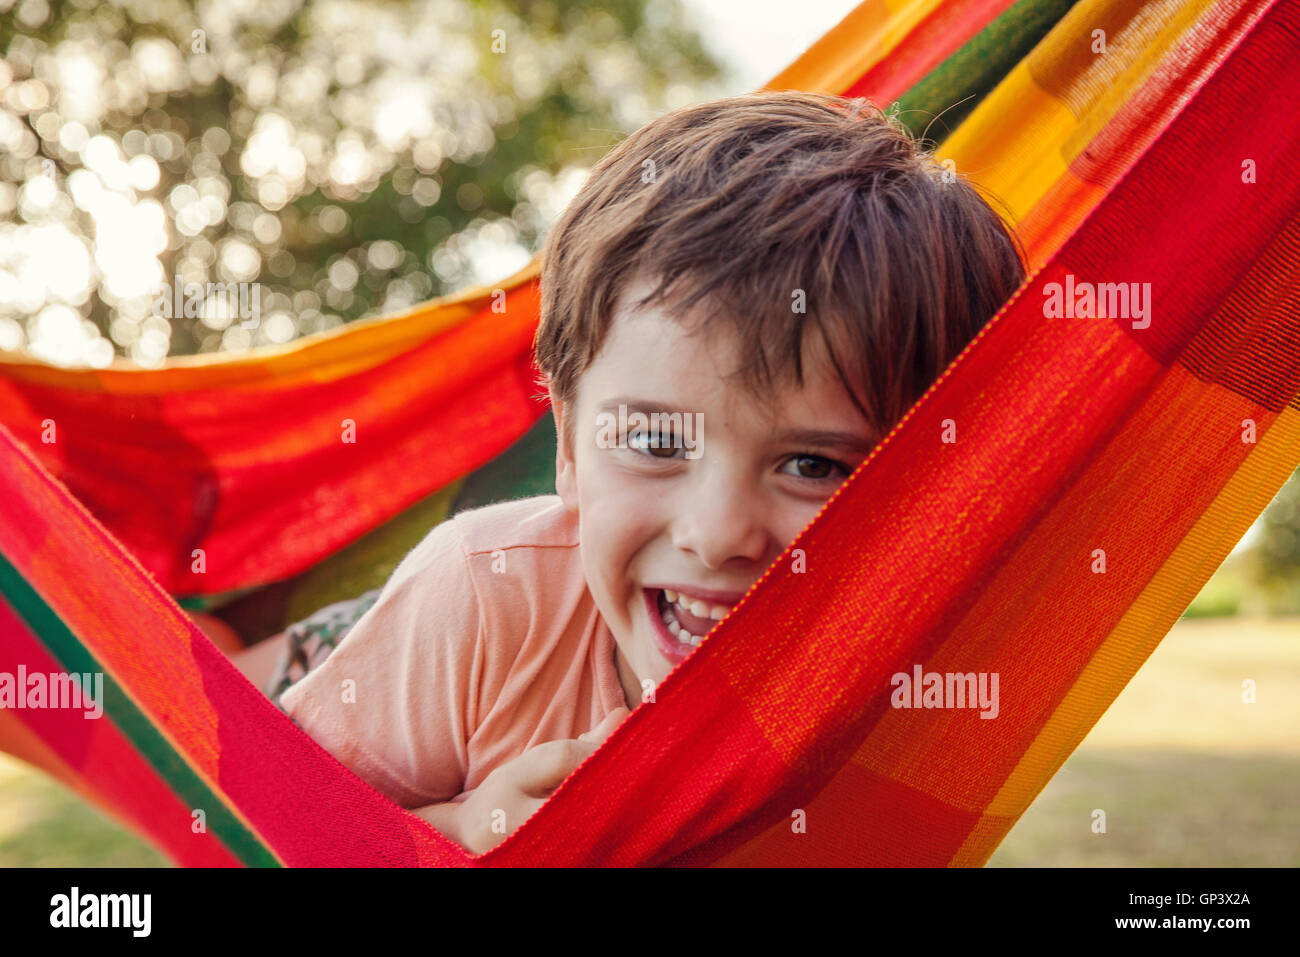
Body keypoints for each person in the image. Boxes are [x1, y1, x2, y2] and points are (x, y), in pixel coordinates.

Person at [248, 90, 1026, 855]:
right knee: (239, 663)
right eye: (657, 441)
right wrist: (461, 832)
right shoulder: (480, 595)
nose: (718, 534)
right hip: (377, 649)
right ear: (568, 447)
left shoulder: (918, 696)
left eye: (812, 464)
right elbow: (272, 825)